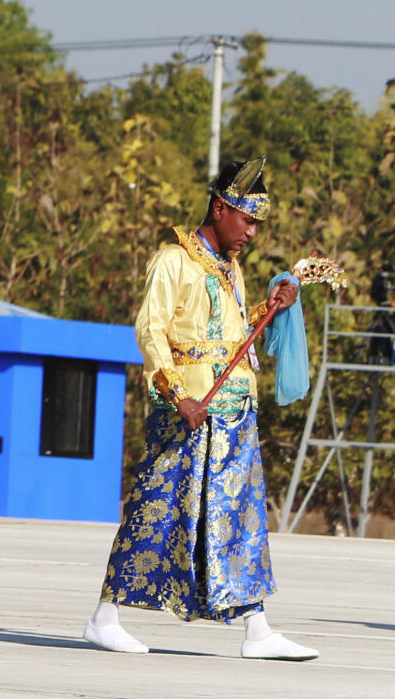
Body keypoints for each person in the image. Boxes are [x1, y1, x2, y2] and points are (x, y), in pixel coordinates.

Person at [85, 157, 315, 660]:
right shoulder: (174, 260)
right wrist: (176, 394)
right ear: (219, 208)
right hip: (189, 410)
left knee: (240, 514)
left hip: (234, 410)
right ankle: (105, 617)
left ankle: (256, 626)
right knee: (157, 509)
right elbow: (152, 331)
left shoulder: (229, 267)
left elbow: (230, 336)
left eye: (257, 223)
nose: (252, 233)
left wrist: (268, 306)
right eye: (247, 220)